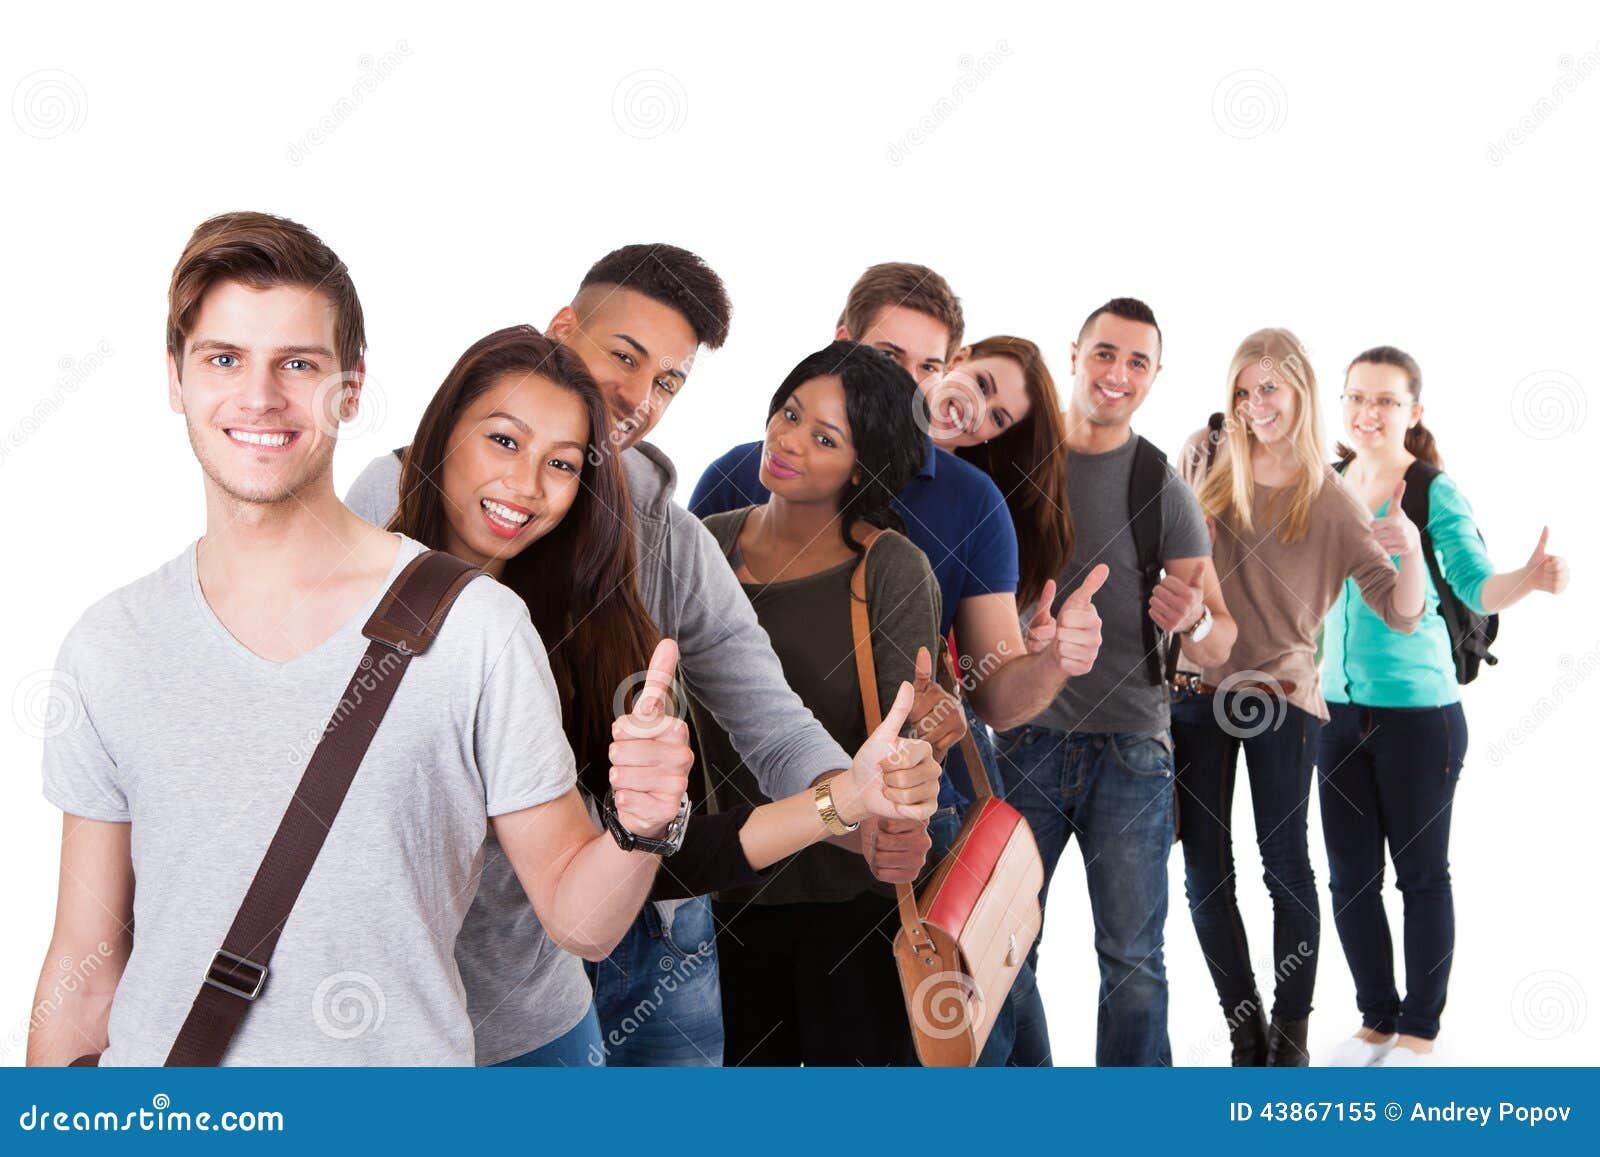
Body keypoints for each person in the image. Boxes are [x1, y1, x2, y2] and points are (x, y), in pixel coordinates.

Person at [27, 212, 694, 1066]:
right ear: (176, 378)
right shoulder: (110, 644)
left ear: (350, 387)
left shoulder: (476, 630)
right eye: (224, 358)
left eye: (297, 364)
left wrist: (644, 824)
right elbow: (83, 973)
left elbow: (578, 919)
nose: (260, 396)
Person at [345, 245, 950, 1066]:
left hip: (650, 933)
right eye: (623, 356)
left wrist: (858, 803)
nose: (638, 396)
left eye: (668, 381)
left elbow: (769, 724)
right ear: (563, 331)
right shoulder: (394, 504)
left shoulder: (672, 541)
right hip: (457, 955)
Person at [696, 341, 1107, 1064]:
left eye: (824, 437)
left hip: (853, 899)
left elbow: (912, 738)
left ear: (861, 466)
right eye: (789, 414)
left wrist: (917, 775)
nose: (789, 440)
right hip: (725, 897)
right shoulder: (703, 547)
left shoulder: (890, 567)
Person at [689, 267, 1095, 910]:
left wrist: (1051, 662)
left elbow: (993, 698)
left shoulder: (972, 502)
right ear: (840, 341)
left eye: (927, 366)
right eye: (886, 356)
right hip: (741, 847)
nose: (905, 385)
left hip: (904, 838)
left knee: (963, 999)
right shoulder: (741, 477)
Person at [1170, 328, 1427, 1066]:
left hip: (1280, 695)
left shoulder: (1330, 496)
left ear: (1301, 392)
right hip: (1195, 687)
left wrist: (1404, 542)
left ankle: (1291, 1035)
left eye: (1269, 389)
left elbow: (1402, 611)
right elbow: (1166, 554)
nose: (1255, 405)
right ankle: (1244, 1031)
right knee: (1205, 869)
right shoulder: (1205, 457)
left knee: (1284, 863)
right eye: (1243, 391)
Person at [993, 298, 1237, 1067]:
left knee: (1132, 963)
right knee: (1001, 952)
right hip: (1022, 740)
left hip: (1132, 749)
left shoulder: (1158, 482)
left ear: (1156, 376)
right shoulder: (1012, 465)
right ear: (1073, 355)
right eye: (1105, 353)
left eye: (1137, 362)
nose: (1118, 374)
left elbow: (1222, 639)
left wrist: (1193, 619)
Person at [1317, 346, 1569, 1066]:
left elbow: (1475, 583)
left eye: (1387, 401)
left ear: (1414, 412)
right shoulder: (1328, 485)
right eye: (1358, 398)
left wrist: (1527, 578)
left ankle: (1420, 1030)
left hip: (1419, 716)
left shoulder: (1432, 491)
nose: (1369, 412)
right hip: (1334, 713)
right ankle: (1376, 1016)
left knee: (1420, 874)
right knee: (1349, 878)